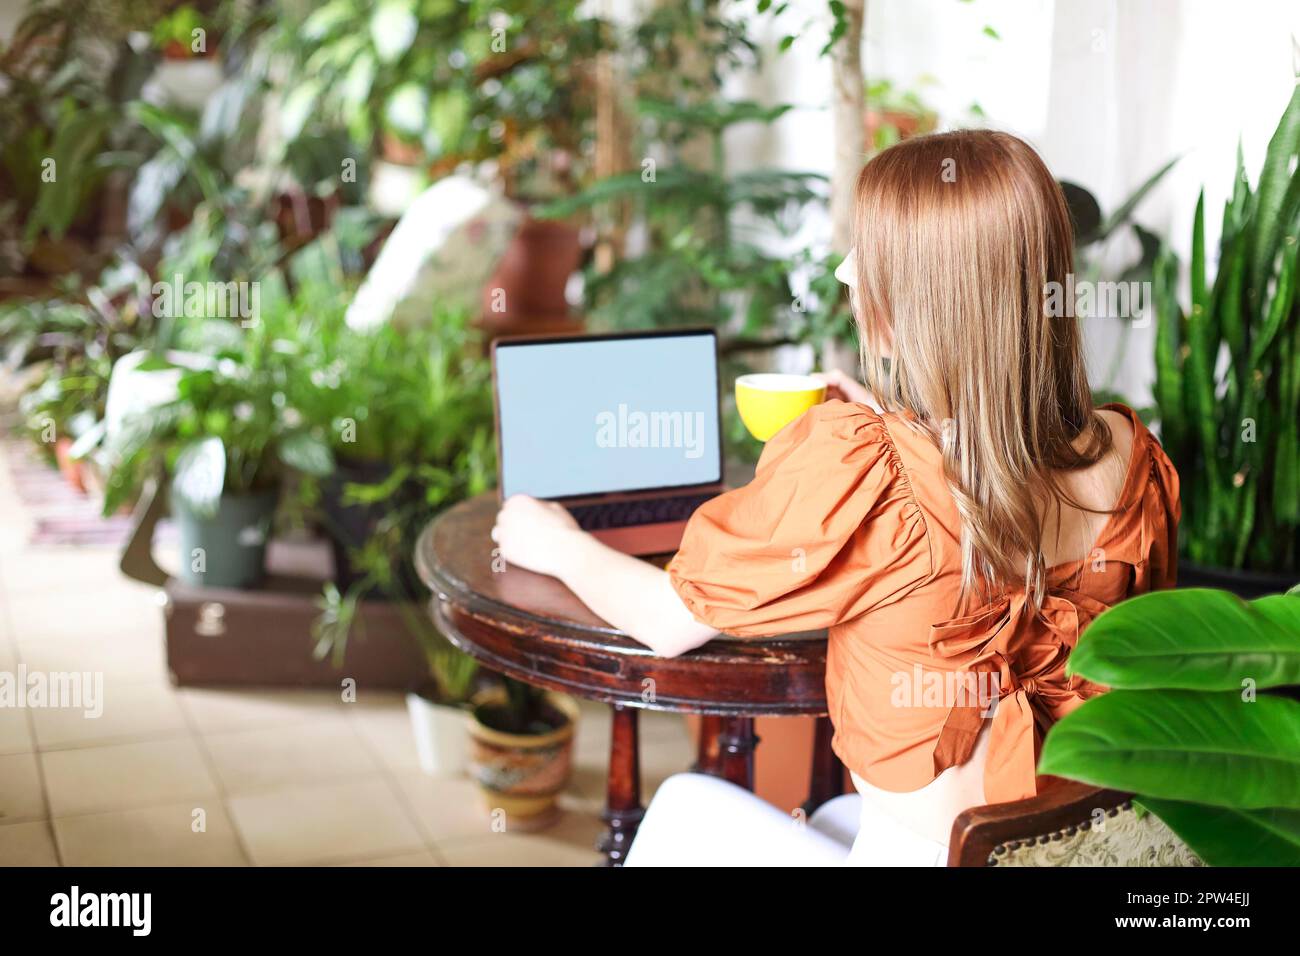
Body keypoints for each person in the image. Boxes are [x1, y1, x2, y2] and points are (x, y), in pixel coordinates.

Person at [491, 129, 1181, 865]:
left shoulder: (864, 470)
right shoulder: (1136, 461)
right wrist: (891, 436)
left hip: (929, 855)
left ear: (907, 304)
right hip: (1079, 848)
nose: (850, 278)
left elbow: (667, 621)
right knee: (830, 814)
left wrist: (555, 542)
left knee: (682, 806)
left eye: (866, 259)